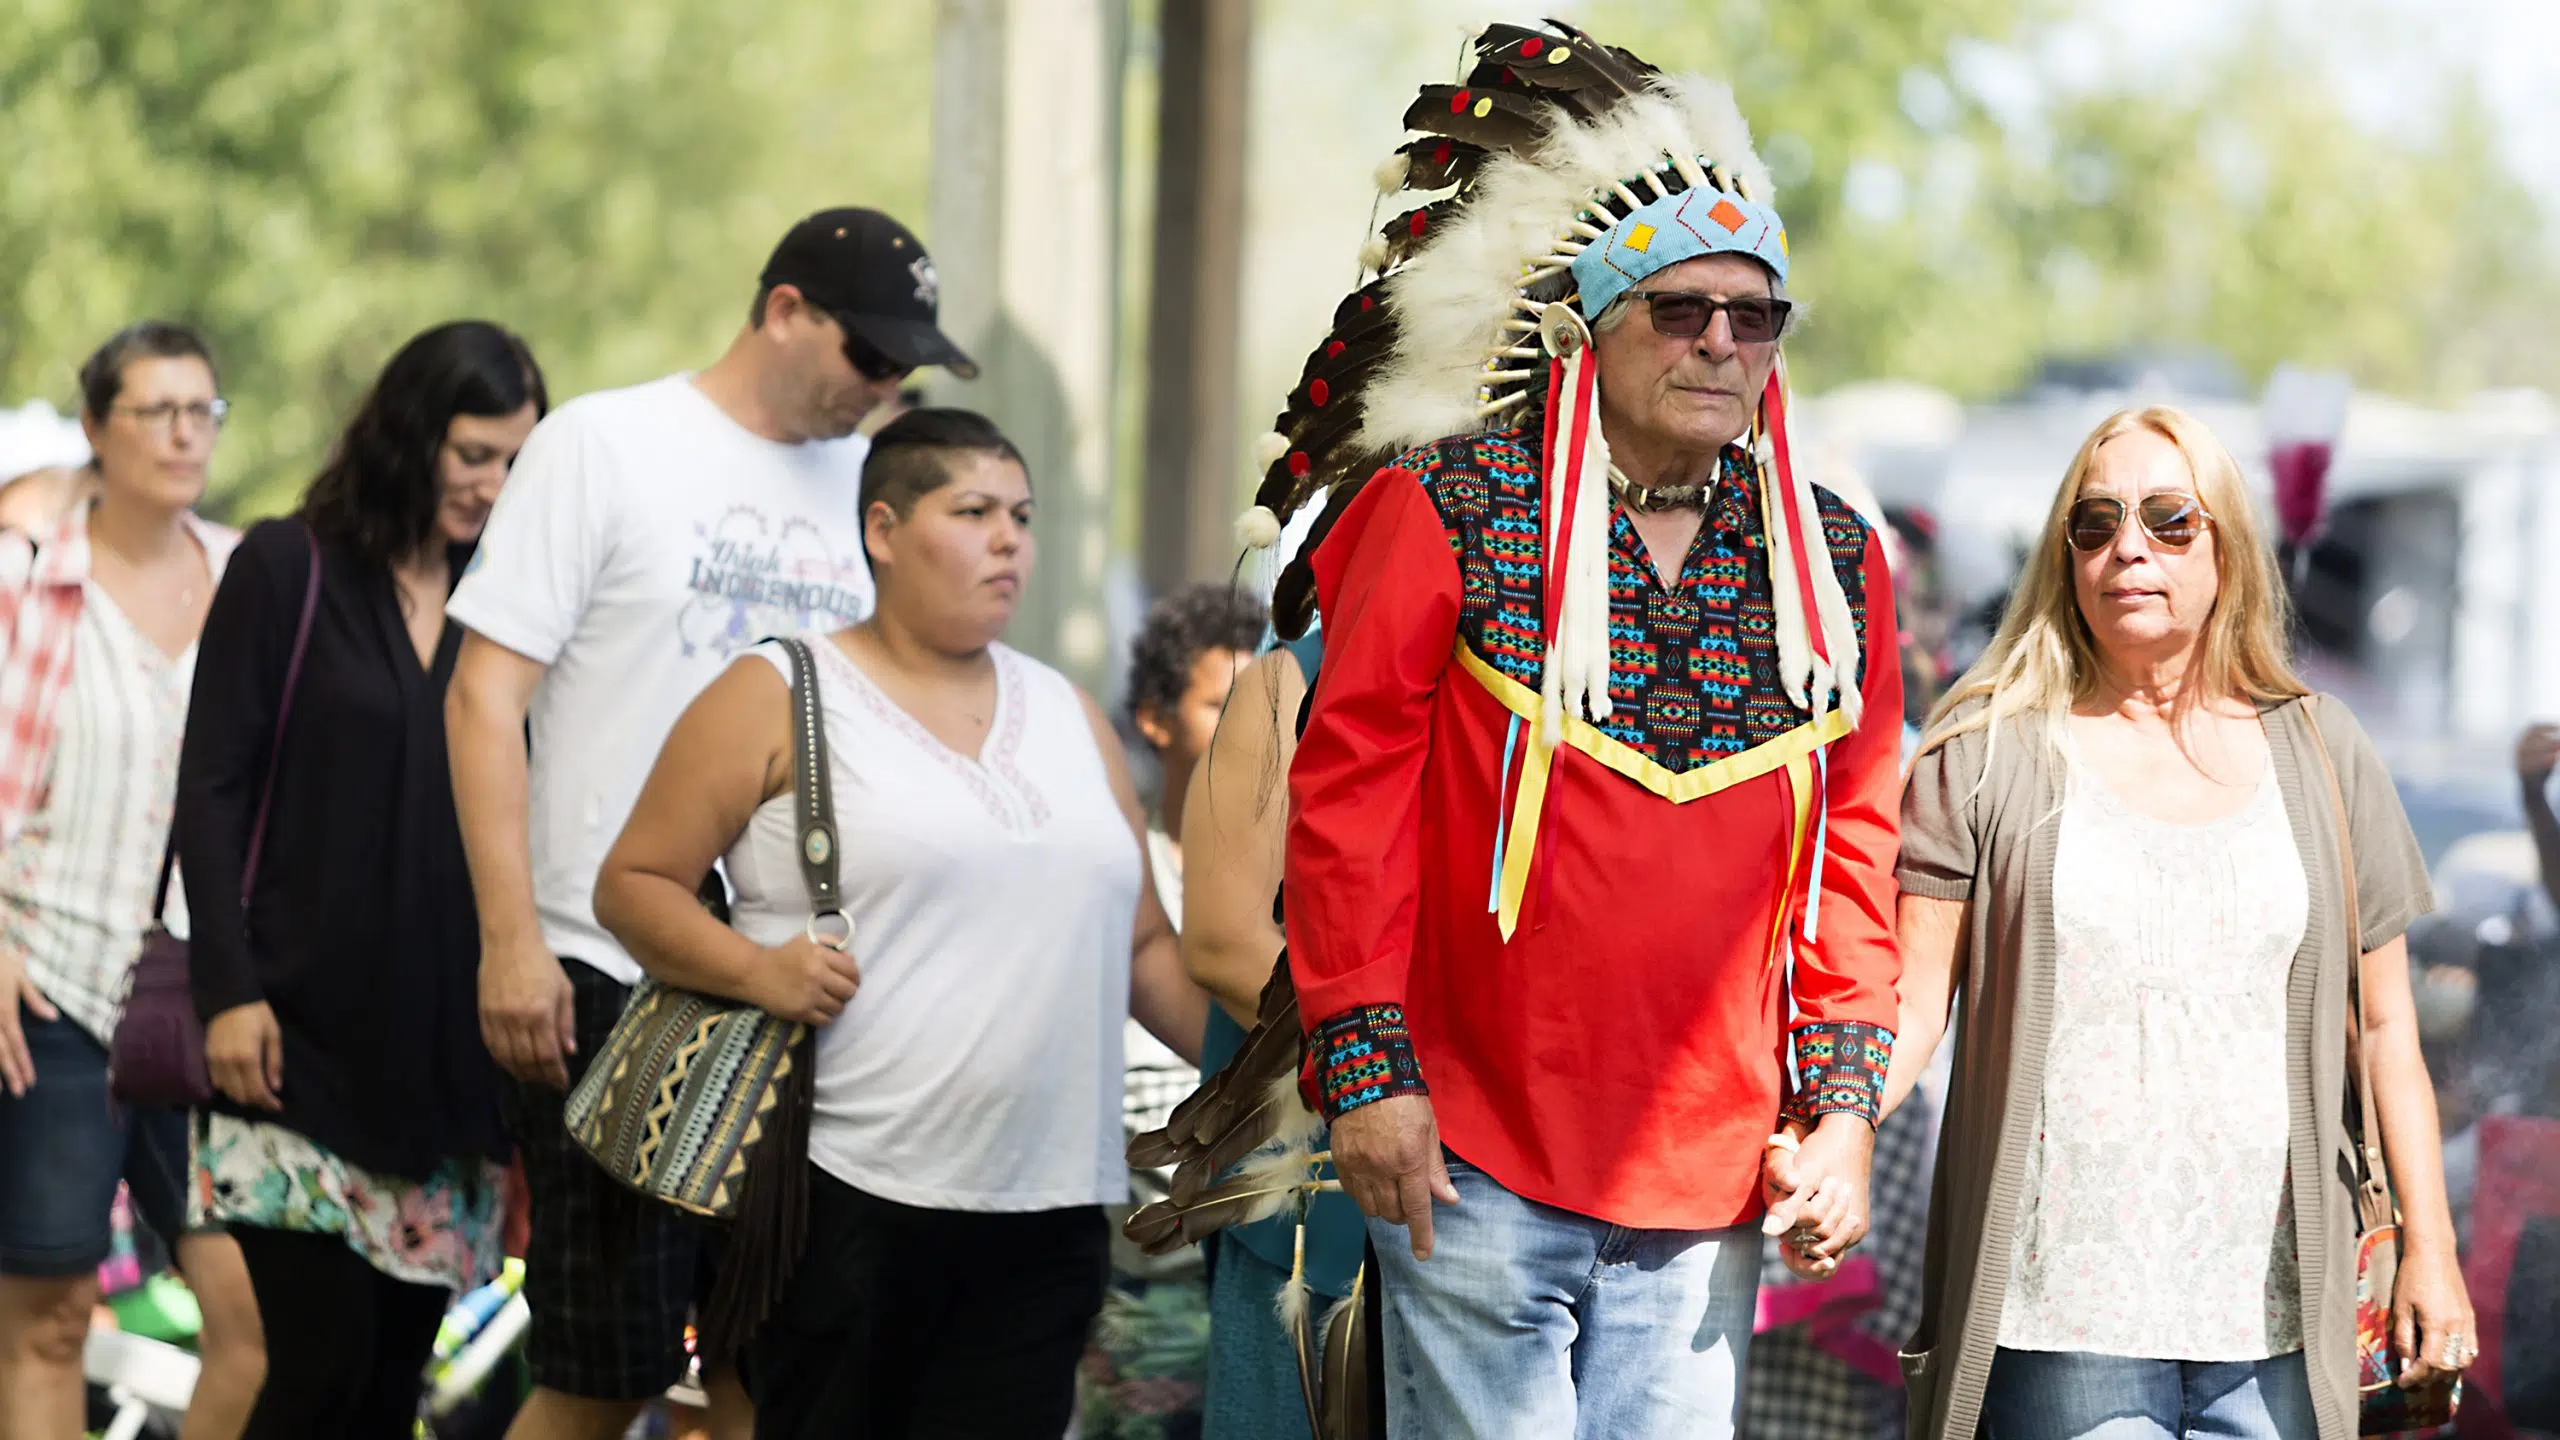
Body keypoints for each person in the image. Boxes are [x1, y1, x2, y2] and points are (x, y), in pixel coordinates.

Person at [1231, 23, 1905, 1435]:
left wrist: (1837, 1106)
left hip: (1710, 1168)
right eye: (1679, 309)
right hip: (1475, 1150)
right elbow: (1347, 804)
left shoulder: (1831, 563)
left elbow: (1857, 841)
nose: (1722, 342)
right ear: (1593, 328)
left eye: (1756, 314)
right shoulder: (1449, 512)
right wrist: (1366, 1070)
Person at [444, 206, 971, 1440]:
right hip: (606, 962)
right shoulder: (605, 445)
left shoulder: (872, 492)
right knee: (606, 1365)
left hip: (809, 991)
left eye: (907, 367)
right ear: (785, 309)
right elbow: (482, 696)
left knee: (763, 1368)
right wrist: (512, 941)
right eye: (870, 356)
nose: (886, 386)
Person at [589, 408, 1210, 1438]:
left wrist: (1288, 1079)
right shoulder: (778, 690)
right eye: (972, 511)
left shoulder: (1067, 712)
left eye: (1021, 514)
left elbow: (1144, 948)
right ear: (882, 529)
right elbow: (635, 882)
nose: (1008, 538)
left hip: (1052, 1205)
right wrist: (756, 969)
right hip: (848, 1198)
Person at [1885, 406, 2477, 1440]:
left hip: (2280, 1322)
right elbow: (1912, 1002)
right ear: (2064, 554)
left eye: (2168, 520)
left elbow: (2386, 1031)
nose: (2128, 548)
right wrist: (1832, 1131)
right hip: (2061, 1309)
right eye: (2095, 522)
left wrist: (2431, 1247)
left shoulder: (2322, 750)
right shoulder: (1983, 752)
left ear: (2227, 549)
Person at [177, 321, 545, 1436]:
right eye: (473, 453)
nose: (493, 485)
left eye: (517, 463)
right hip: (292, 1052)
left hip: (444, 1071)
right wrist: (229, 993)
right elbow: (210, 788)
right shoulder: (288, 567)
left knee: (389, 1393)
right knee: (313, 1370)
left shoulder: (514, 607)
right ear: (408, 434)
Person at [0, 322, 265, 1440]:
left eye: (201, 409)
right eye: (155, 410)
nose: (182, 433)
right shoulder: (25, 580)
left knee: (251, 1324)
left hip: (210, 1001)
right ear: (98, 428)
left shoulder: (257, 579)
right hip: (50, 983)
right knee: (51, 1318)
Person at [1173, 634, 1370, 1439]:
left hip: (1520, 1216)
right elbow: (1223, 945)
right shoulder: (1290, 682)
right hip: (1313, 1201)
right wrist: (1389, 1078)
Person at [1078, 582, 1261, 1439]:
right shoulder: (1118, 877)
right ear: (1155, 719)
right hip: (1136, 1281)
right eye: (1221, 703)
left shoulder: (1293, 888)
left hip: (1261, 1267)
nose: (1250, 728)